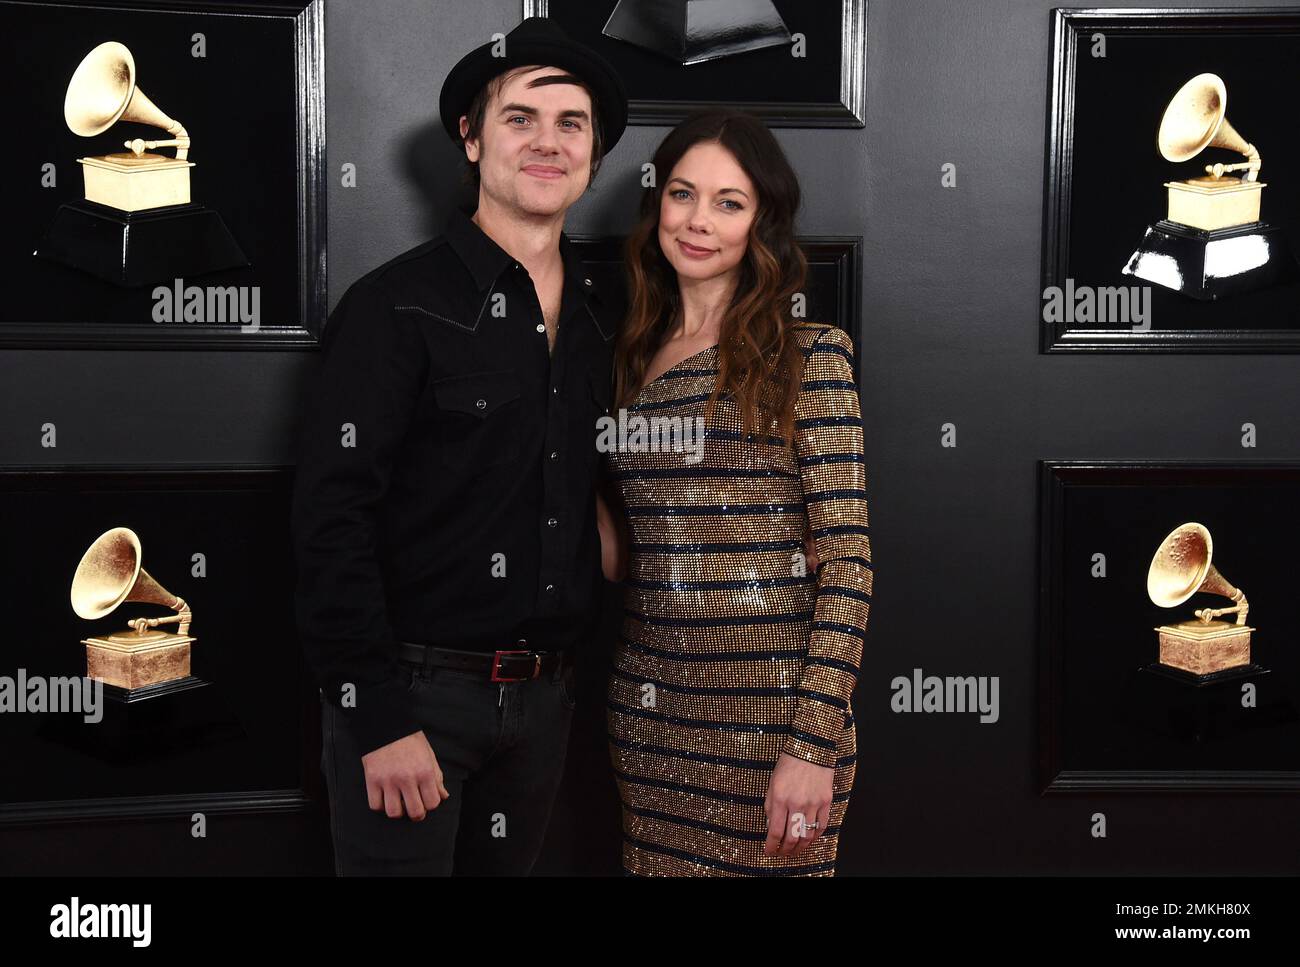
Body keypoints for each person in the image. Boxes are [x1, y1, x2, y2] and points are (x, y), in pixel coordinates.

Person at [290, 17, 627, 875]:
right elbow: (331, 519)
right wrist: (377, 717)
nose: (547, 142)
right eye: (521, 118)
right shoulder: (394, 308)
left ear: (594, 153)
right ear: (472, 139)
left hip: (550, 703)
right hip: (415, 701)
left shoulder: (607, 316)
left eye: (571, 124)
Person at [595, 110, 872, 876]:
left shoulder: (810, 354)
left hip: (772, 721)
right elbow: (626, 555)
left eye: (729, 202)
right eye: (683, 194)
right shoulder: (630, 356)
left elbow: (848, 561)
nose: (698, 221)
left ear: (763, 222)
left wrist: (813, 745)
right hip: (650, 713)